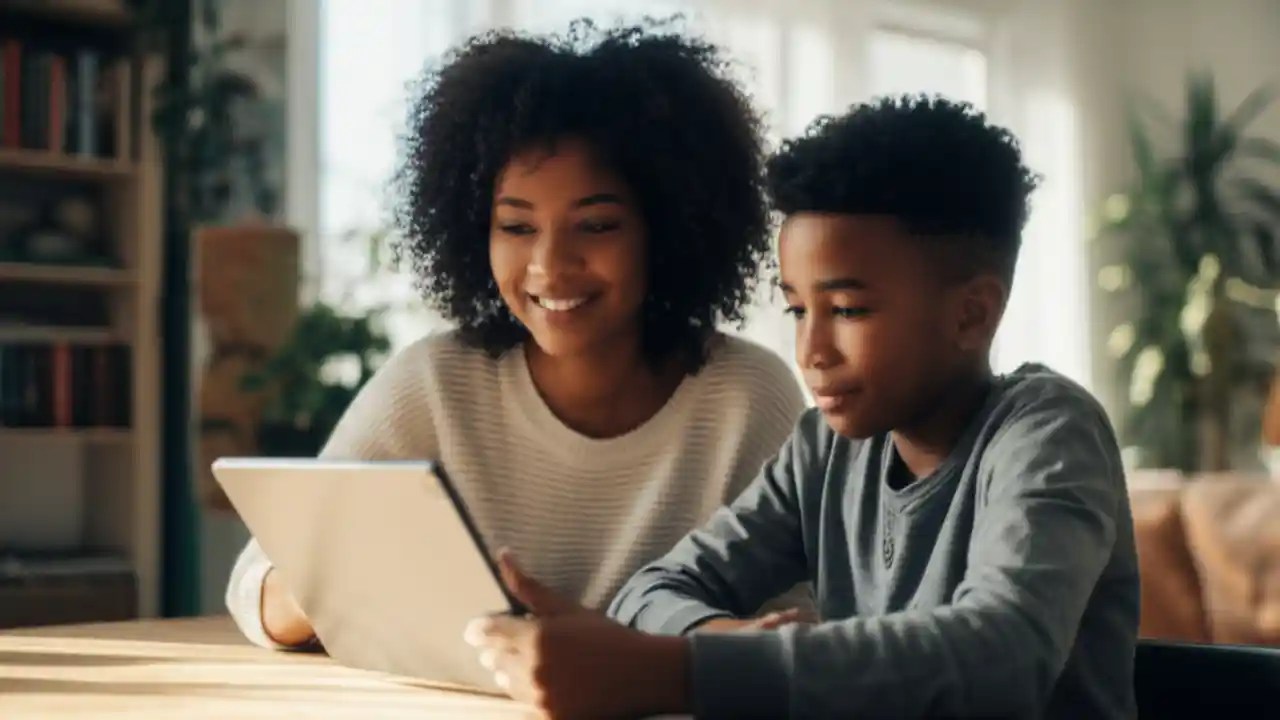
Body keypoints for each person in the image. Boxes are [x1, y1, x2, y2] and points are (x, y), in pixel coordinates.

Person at [465, 95, 1140, 720]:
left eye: (847, 310)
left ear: (971, 314)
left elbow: (1003, 657)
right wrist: (717, 641)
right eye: (797, 309)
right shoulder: (826, 448)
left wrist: (681, 671)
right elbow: (653, 589)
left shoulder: (1048, 433)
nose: (811, 351)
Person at [225, 20, 808, 649]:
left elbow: (800, 621)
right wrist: (342, 582)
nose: (549, 266)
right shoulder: (435, 385)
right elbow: (256, 586)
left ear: (667, 230)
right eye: (517, 227)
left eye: (597, 226)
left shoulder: (745, 397)